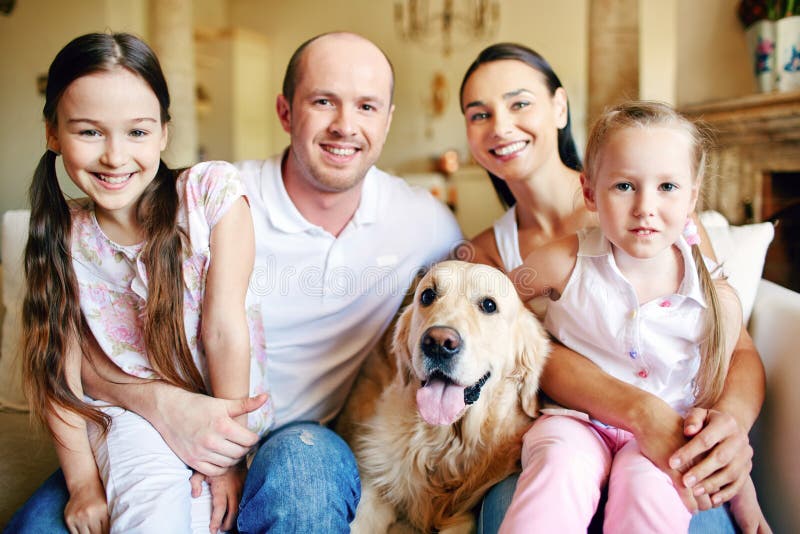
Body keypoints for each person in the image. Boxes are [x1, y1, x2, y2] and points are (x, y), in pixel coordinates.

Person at [6, 32, 463, 533]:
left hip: (295, 434)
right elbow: (81, 343)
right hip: (150, 422)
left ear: (388, 119)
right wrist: (160, 404)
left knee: (305, 479)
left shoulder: (423, 222)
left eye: (367, 106)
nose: (345, 126)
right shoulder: (214, 199)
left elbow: (491, 283)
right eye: (323, 101)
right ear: (286, 112)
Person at [459, 43, 766, 533]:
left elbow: (735, 349)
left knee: (662, 495)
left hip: (670, 444)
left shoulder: (683, 246)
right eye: (479, 113)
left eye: (519, 103)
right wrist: (635, 410)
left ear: (559, 107)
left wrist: (729, 426)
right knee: (545, 479)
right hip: (572, 431)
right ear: (592, 190)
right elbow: (494, 334)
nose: (500, 125)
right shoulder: (498, 257)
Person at [17, 32, 273, 534]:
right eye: (89, 132)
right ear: (53, 133)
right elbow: (58, 371)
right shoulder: (64, 233)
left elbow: (223, 329)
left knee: (209, 516)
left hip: (222, 410)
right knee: (153, 513)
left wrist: (224, 457)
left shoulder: (210, 198)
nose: (115, 157)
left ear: (163, 134)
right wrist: (84, 486)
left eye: (136, 132)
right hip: (126, 417)